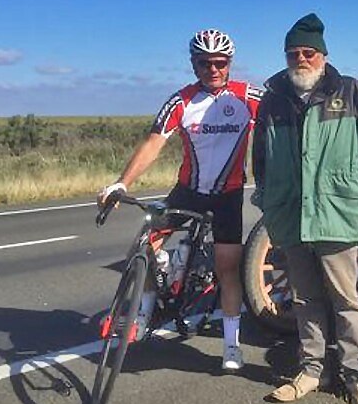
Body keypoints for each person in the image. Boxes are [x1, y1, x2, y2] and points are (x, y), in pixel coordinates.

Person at [98, 29, 261, 371]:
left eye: (219, 62)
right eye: (204, 62)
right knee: (143, 247)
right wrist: (120, 183)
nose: (212, 69)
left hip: (228, 196)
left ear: (229, 63)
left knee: (228, 269)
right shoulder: (181, 101)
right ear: (193, 64)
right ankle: (141, 314)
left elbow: (286, 119)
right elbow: (153, 143)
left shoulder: (248, 96)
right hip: (187, 191)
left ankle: (231, 346)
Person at [251, 13, 358, 404]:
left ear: (323, 56)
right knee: (304, 297)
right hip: (292, 215)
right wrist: (268, 197)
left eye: (308, 52)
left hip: (337, 214)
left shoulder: (350, 93)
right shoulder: (273, 98)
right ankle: (312, 372)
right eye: (293, 53)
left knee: (346, 301)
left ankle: (355, 379)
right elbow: (260, 158)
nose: (300, 59)